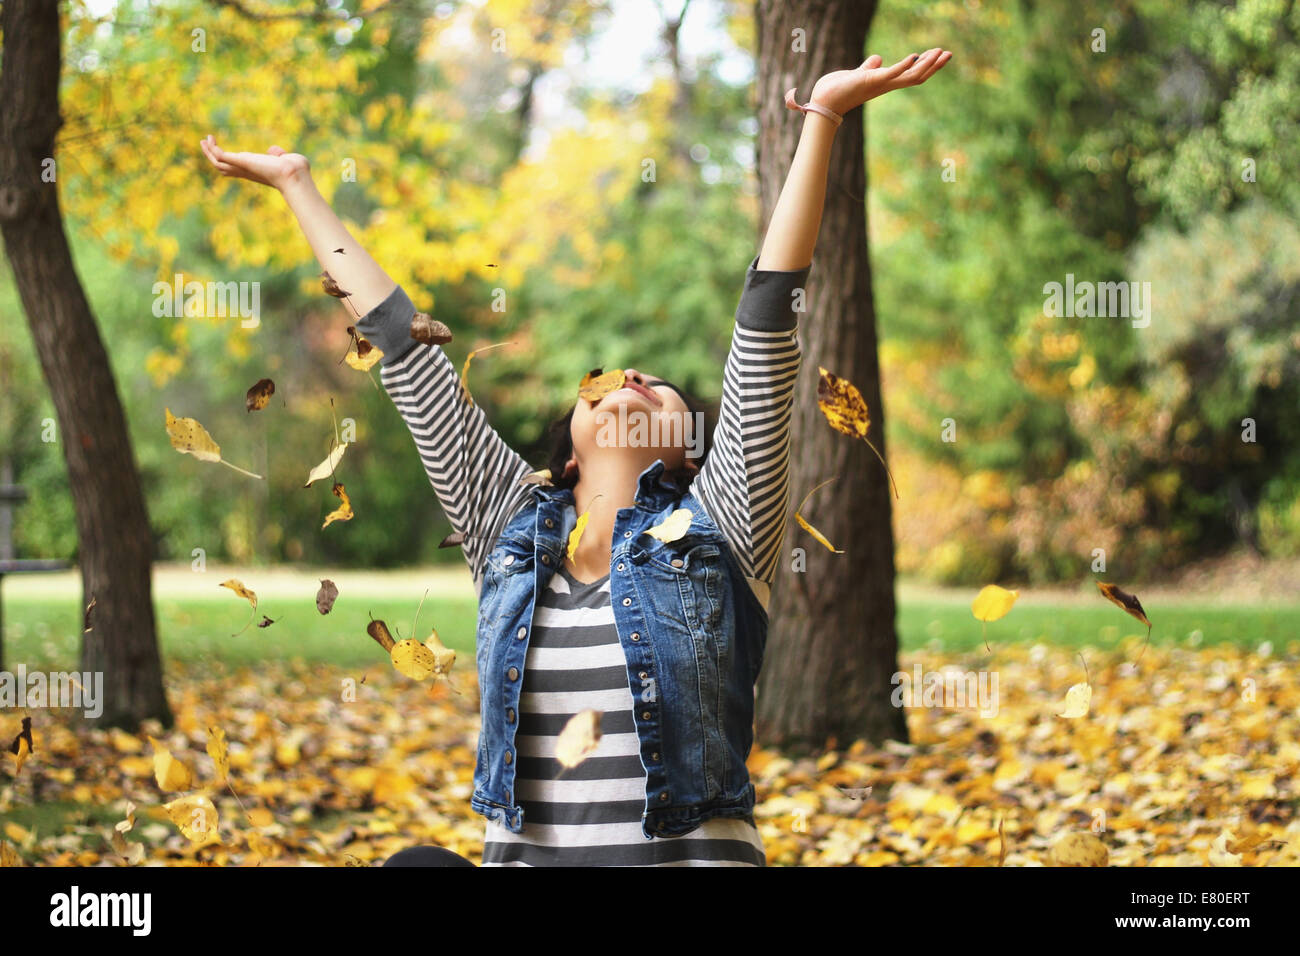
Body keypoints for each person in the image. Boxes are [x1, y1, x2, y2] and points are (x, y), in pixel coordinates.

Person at [200, 48, 951, 866]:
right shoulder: (506, 525)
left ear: (692, 451)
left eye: (659, 388)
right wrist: (297, 186)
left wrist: (825, 119)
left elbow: (767, 326)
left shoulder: (725, 525)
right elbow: (404, 349)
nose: (633, 381)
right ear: (566, 452)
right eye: (607, 383)